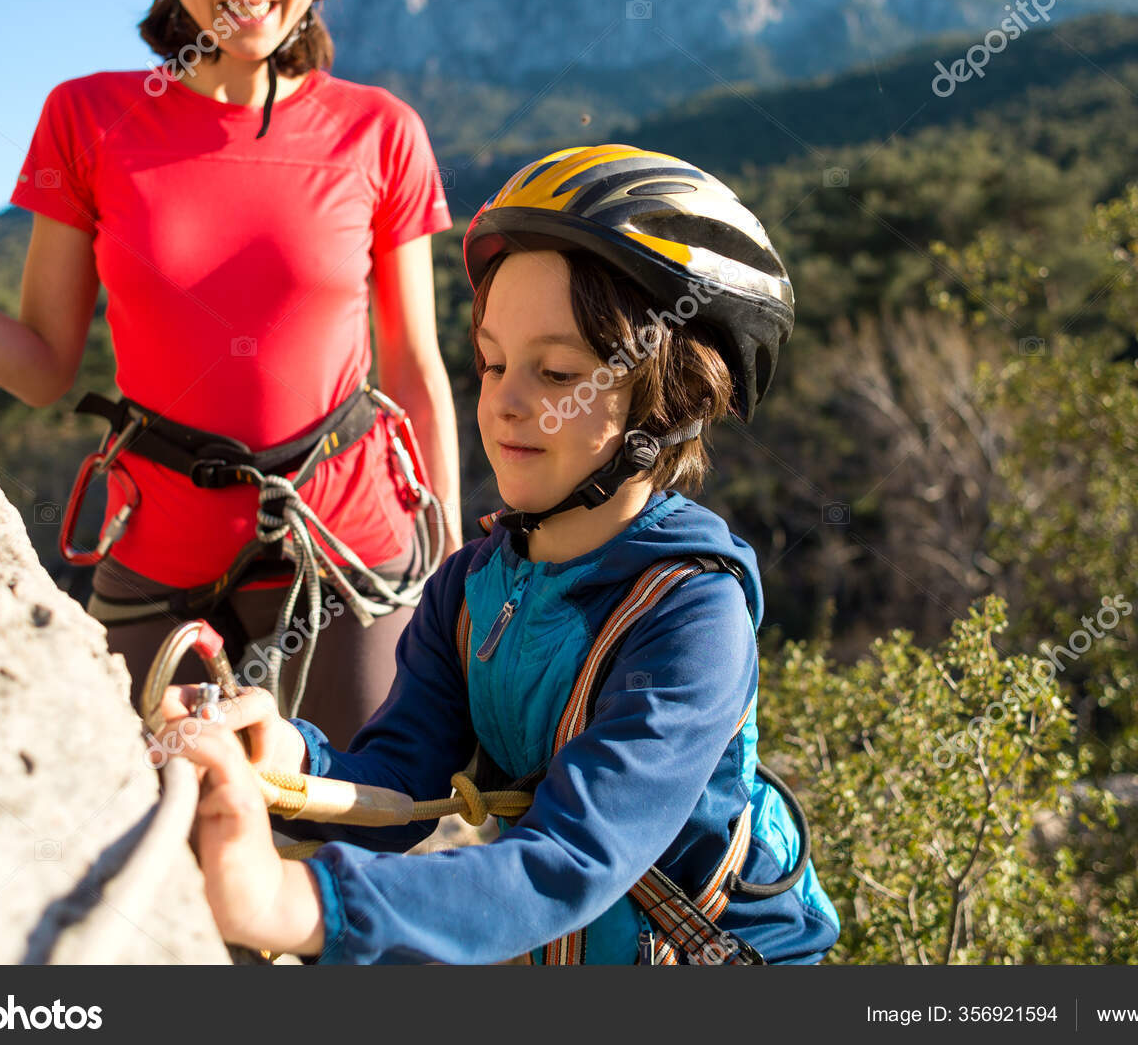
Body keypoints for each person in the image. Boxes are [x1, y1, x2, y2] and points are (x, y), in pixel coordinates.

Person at [150, 144, 842, 965]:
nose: (506, 402)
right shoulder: (472, 584)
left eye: (556, 372)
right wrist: (289, 753)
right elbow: (404, 772)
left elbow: (572, 858)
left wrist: (297, 902)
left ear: (674, 400)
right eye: (493, 362)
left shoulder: (693, 615)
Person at [0, 0, 462, 747]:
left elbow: (413, 374)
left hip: (350, 550)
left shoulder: (380, 131)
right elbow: (42, 366)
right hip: (159, 547)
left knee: (358, 828)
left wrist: (455, 585)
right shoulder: (90, 118)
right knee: (146, 822)